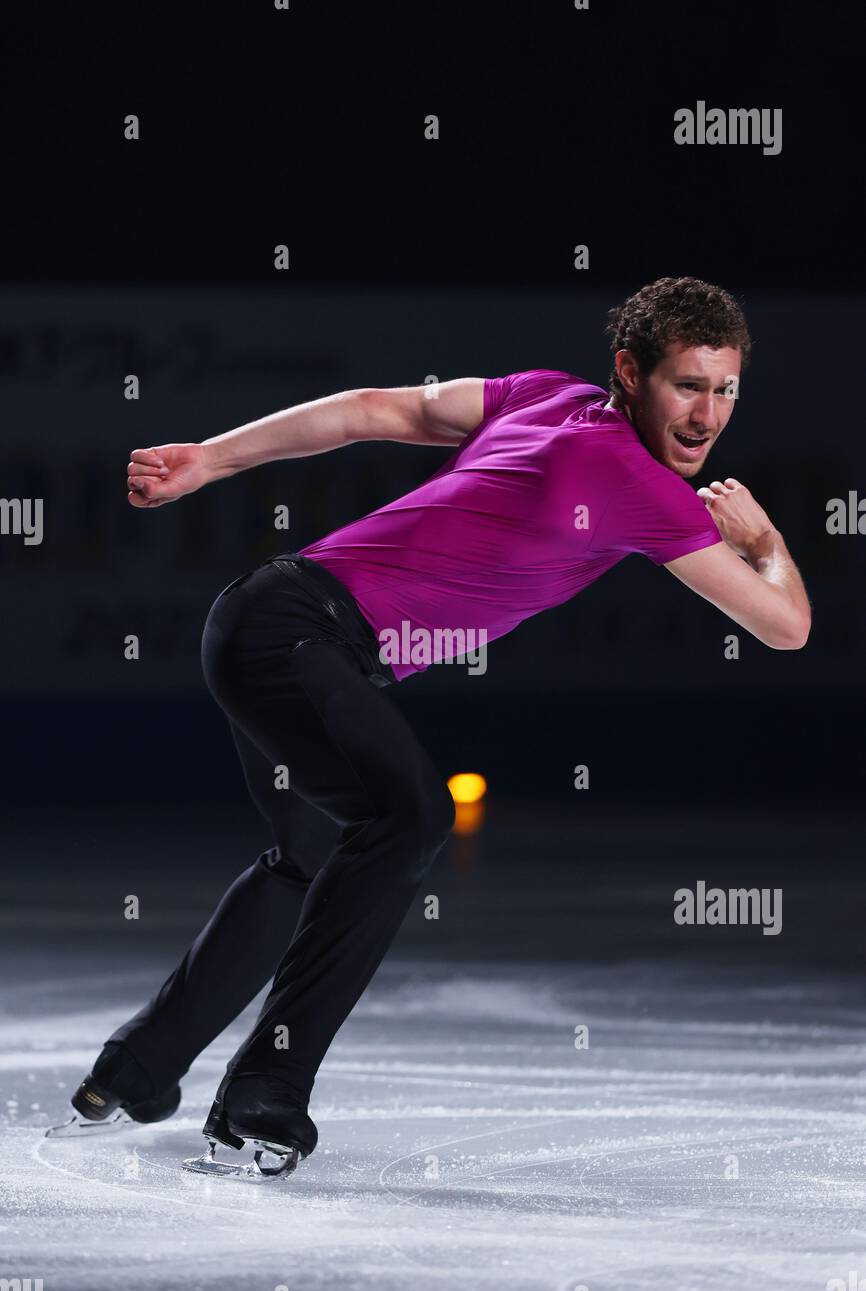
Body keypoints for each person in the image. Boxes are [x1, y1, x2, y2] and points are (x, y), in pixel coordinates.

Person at [51, 276, 810, 1177]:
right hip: (300, 639)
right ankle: (267, 1089)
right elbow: (786, 625)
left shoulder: (546, 396)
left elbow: (367, 410)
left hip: (266, 616)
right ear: (630, 373)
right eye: (688, 384)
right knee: (409, 816)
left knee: (310, 855)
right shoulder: (643, 487)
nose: (707, 413)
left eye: (725, 390)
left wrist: (213, 459)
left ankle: (139, 1068)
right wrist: (763, 544)